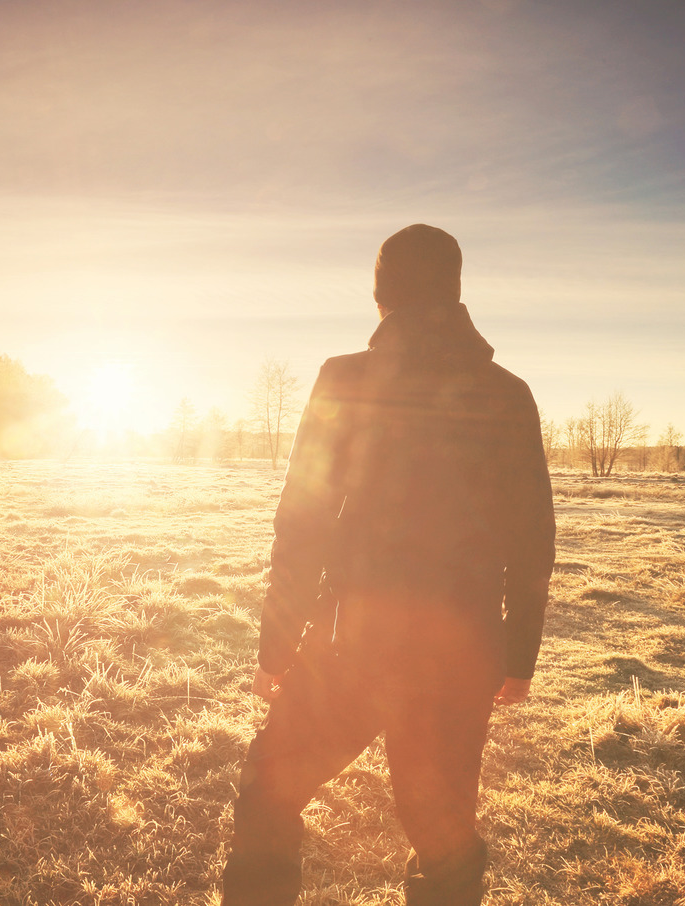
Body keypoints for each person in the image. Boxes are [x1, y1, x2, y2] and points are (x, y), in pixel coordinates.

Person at [221, 224, 555, 906]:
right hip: (458, 656)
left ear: (380, 296)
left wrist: (276, 649)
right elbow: (532, 542)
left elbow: (303, 521)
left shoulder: (345, 379)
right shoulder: (507, 392)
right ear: (456, 293)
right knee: (442, 831)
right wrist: (517, 656)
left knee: (270, 789)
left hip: (351, 645)